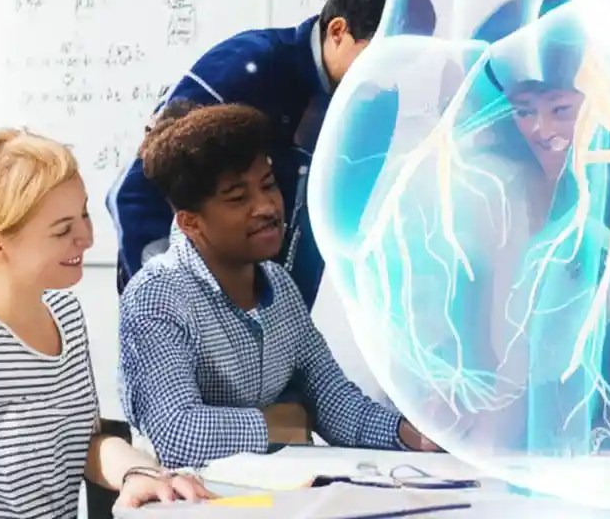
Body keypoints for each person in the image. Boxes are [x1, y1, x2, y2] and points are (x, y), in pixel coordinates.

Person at [0, 128, 208, 519]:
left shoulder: (64, 315)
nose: (87, 238)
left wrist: (137, 472)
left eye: (84, 214)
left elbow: (81, 442)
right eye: (62, 230)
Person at [118, 101, 439, 469]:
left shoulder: (278, 285)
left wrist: (411, 435)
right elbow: (177, 436)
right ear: (191, 222)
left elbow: (334, 401)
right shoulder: (157, 295)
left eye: (268, 185)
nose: (267, 207)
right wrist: (278, 423)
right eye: (238, 198)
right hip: (186, 496)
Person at [108, 0, 437, 308]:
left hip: (275, 316)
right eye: (382, 57)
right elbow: (135, 192)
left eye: (404, 61)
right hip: (188, 310)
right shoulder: (248, 67)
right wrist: (174, 302)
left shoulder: (375, 102)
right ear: (338, 31)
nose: (392, 76)